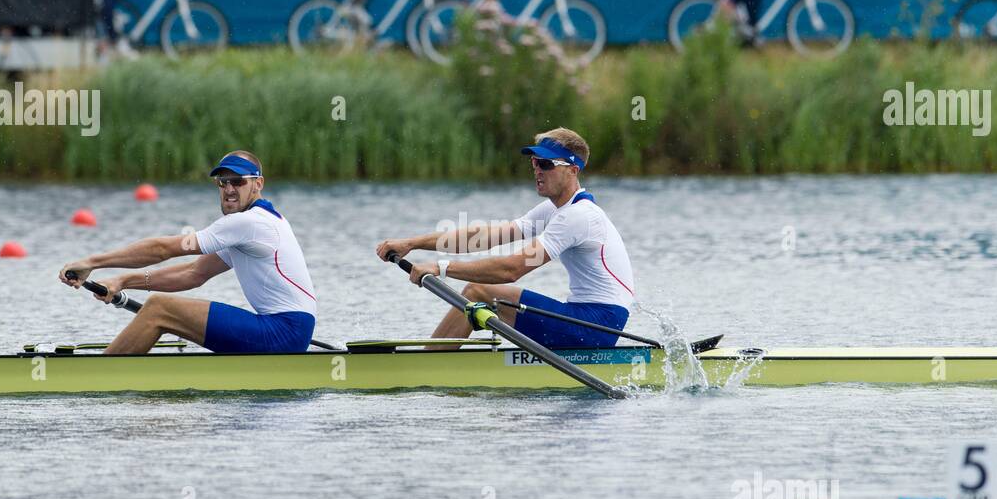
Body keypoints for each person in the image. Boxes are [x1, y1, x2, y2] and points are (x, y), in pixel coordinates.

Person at [376, 128, 635, 349]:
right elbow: (484, 236)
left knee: (478, 293)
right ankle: (435, 360)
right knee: (478, 294)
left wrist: (440, 267)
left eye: (546, 164)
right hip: (585, 318)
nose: (537, 171)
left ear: (573, 170)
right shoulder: (554, 210)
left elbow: (511, 270)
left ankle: (427, 366)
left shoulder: (579, 216)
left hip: (599, 324)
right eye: (534, 163)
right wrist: (412, 243)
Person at [59, 151, 317, 355]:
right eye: (222, 181)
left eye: (238, 181)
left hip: (284, 331)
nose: (229, 189)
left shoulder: (249, 222)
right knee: (160, 308)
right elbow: (194, 273)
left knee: (160, 308)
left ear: (258, 184)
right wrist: (123, 281)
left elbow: (163, 249)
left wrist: (93, 263)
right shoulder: (256, 225)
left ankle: (102, 376)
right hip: (290, 330)